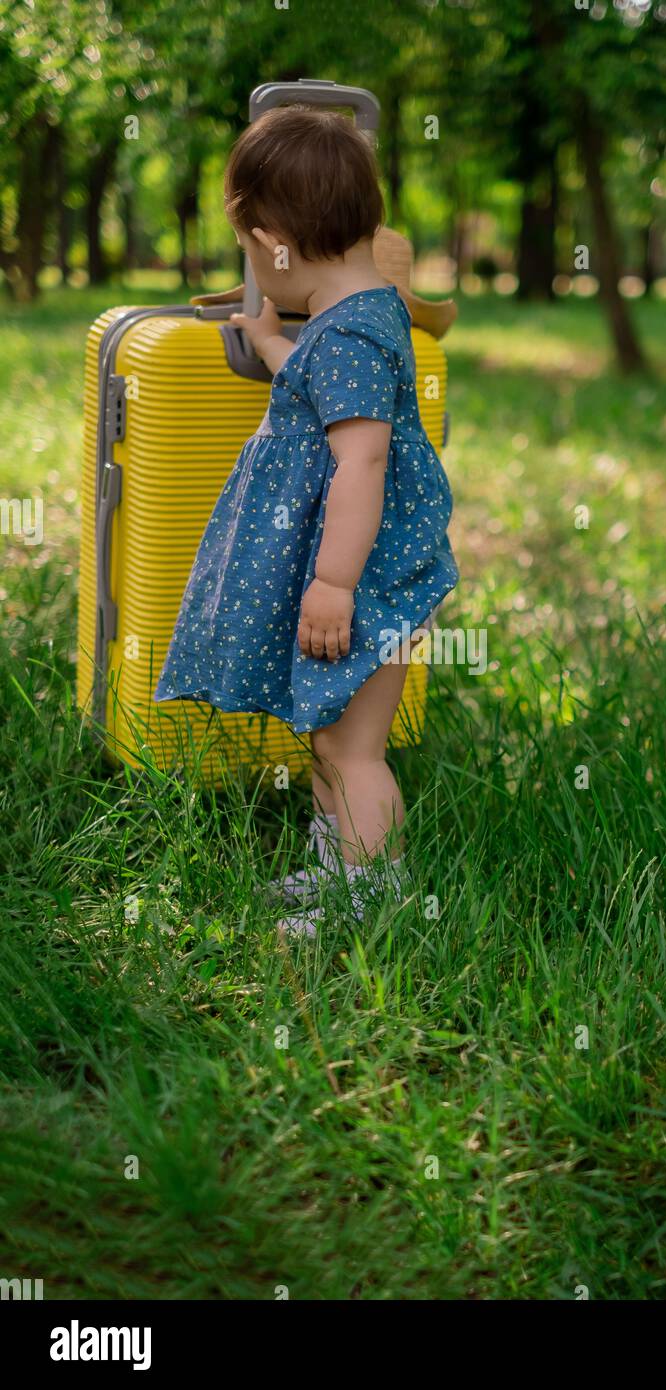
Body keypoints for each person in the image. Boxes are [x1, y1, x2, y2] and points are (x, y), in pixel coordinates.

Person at [154, 106, 459, 936]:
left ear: (276, 239)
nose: (261, 273)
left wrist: (333, 584)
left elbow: (360, 462)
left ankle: (374, 898)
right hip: (365, 575)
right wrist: (271, 341)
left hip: (366, 579)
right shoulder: (356, 319)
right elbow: (325, 383)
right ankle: (340, 872)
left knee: (352, 749)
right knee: (327, 737)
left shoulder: (353, 334)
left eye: (255, 257)